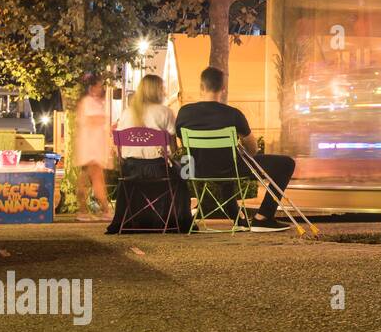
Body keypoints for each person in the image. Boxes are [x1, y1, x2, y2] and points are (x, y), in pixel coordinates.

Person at [175, 66, 295, 231]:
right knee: (286, 163)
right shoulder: (233, 114)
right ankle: (264, 217)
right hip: (230, 169)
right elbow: (252, 149)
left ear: (201, 87)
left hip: (195, 169)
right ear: (223, 89)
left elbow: (182, 144)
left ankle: (186, 218)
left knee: (183, 163)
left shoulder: (184, 113)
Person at [109, 74, 190, 233]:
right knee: (181, 177)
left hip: (131, 170)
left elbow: (119, 150)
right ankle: (179, 221)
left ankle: (134, 221)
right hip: (158, 170)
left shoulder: (127, 113)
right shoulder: (165, 112)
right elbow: (173, 148)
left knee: (134, 182)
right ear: (158, 90)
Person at [74, 73, 113, 222]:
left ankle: (84, 210)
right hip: (92, 146)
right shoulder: (89, 102)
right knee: (97, 178)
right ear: (91, 87)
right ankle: (104, 210)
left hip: (91, 145)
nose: (101, 88)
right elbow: (94, 119)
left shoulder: (90, 101)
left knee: (86, 178)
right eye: (99, 85)